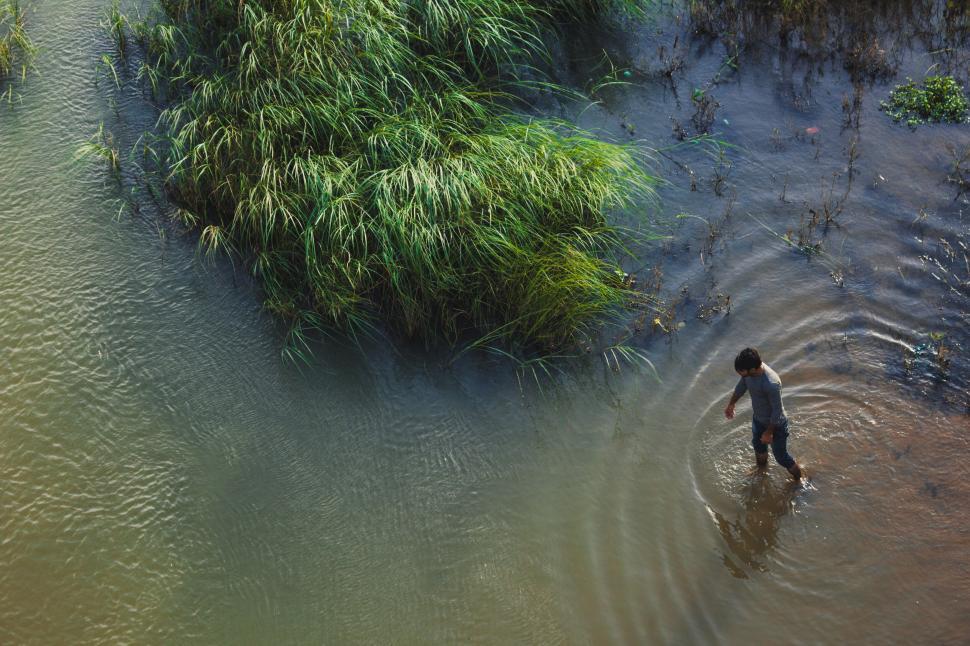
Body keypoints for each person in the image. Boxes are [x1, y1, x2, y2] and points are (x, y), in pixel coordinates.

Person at [724, 348, 802, 480]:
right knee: (758, 447)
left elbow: (777, 411)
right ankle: (761, 472)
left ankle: (800, 481)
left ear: (753, 369)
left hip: (776, 425)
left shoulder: (771, 383)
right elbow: (741, 387)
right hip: (758, 420)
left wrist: (769, 432)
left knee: (781, 457)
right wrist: (731, 404)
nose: (740, 375)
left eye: (742, 372)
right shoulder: (748, 374)